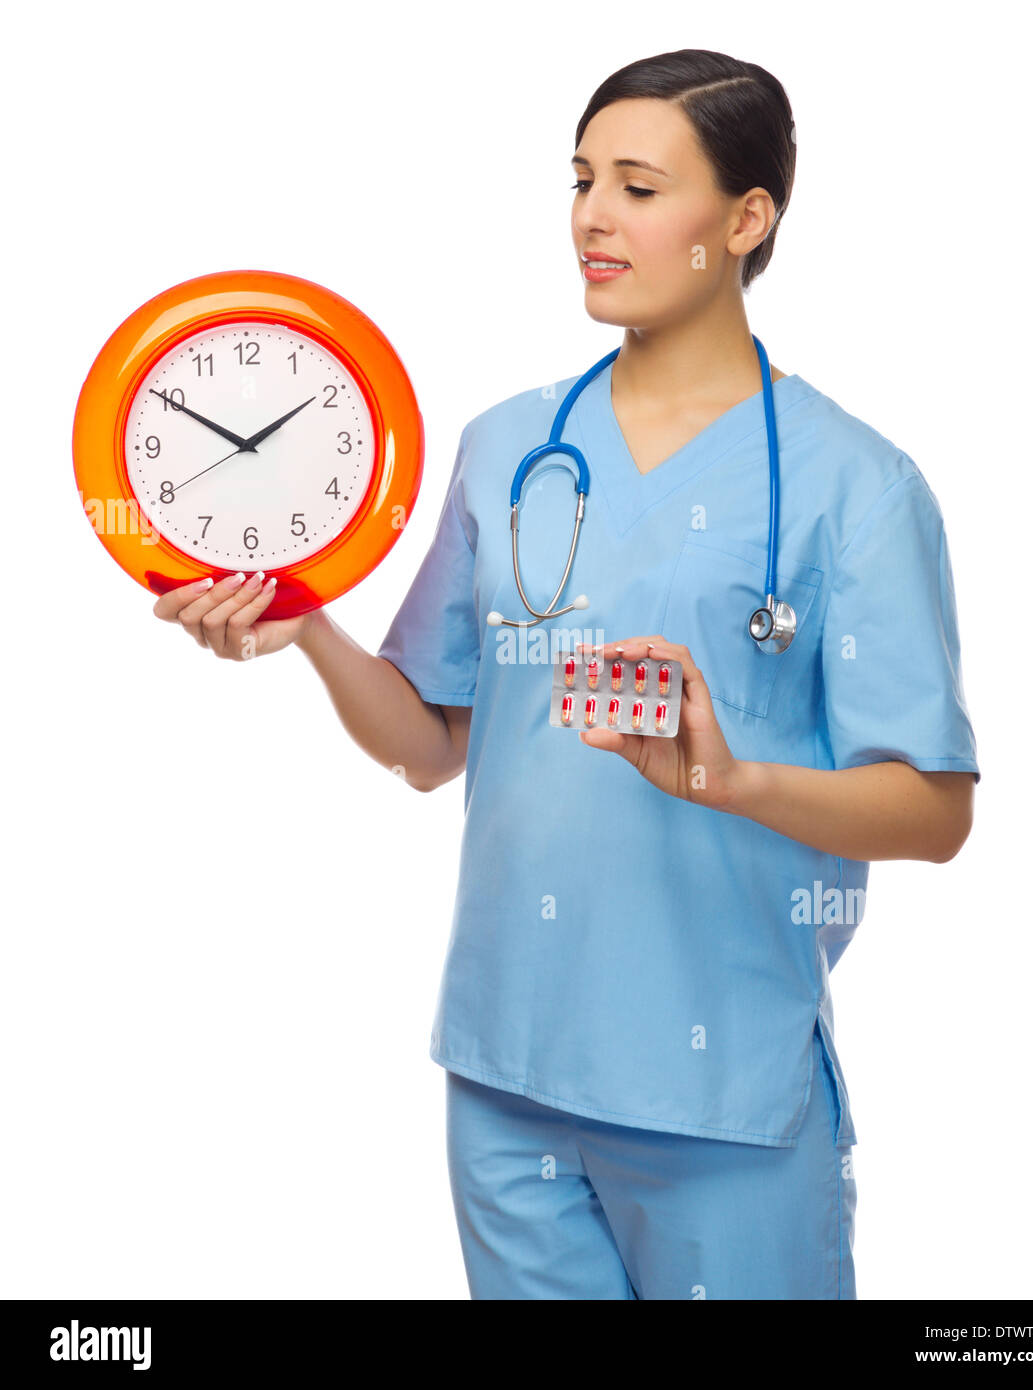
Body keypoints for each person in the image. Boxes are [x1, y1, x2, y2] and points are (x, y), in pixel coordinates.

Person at [153, 49, 980, 1300]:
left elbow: (933, 809)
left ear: (746, 219)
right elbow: (430, 743)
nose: (592, 215)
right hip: (506, 1079)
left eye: (640, 187)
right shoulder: (507, 446)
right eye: (581, 178)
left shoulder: (855, 486)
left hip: (720, 1098)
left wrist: (731, 779)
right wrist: (306, 626)